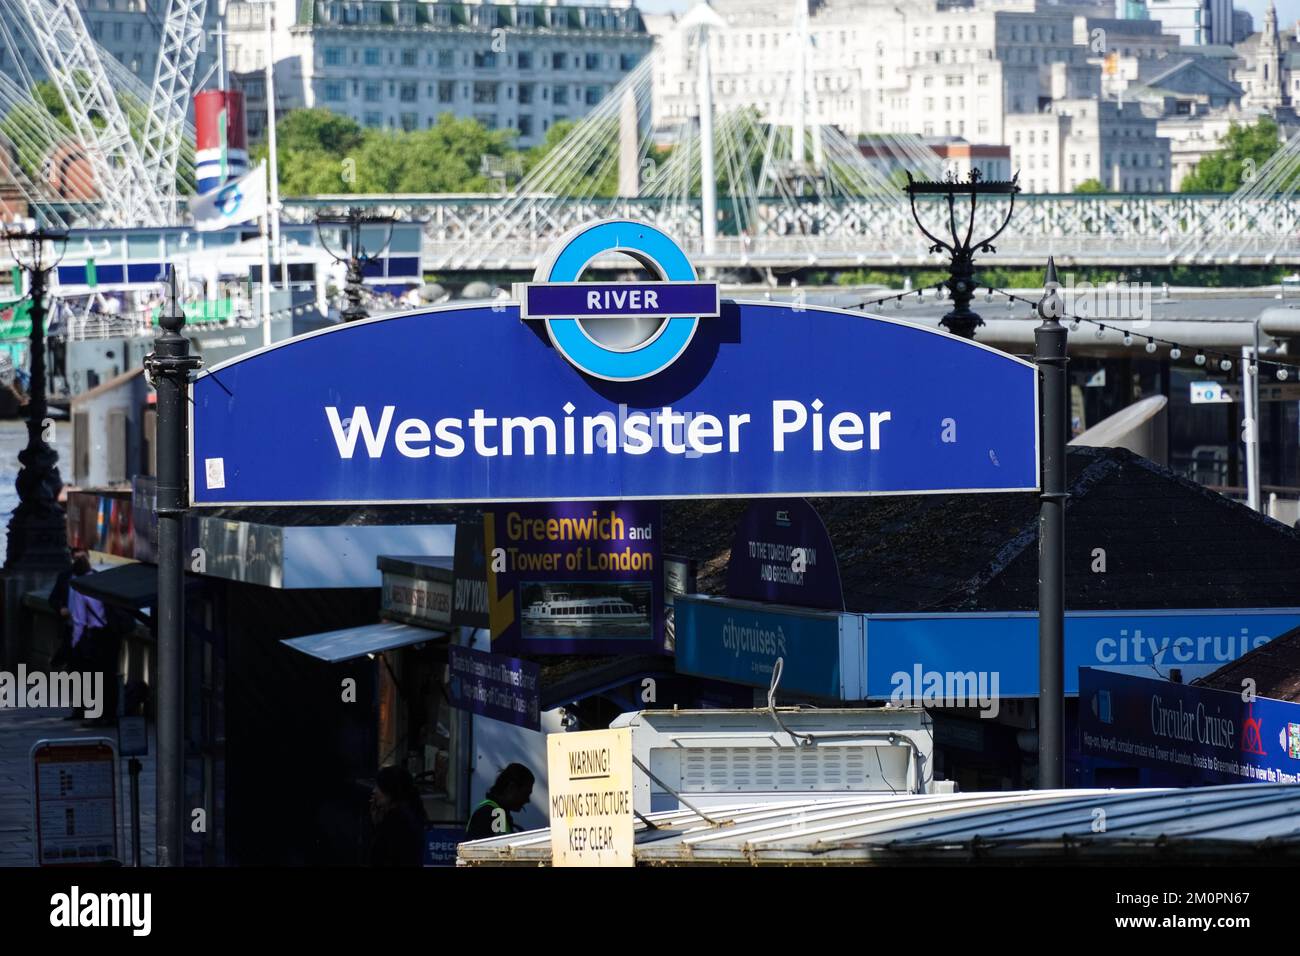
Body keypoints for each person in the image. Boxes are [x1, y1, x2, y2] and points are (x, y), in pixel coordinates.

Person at [368, 766, 427, 867]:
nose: (374, 791)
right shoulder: (406, 816)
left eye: (379, 787)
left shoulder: (397, 822)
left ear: (390, 791)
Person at [465, 764, 534, 841]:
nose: (528, 800)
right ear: (511, 788)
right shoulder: (488, 813)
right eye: (525, 793)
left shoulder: (499, 813)